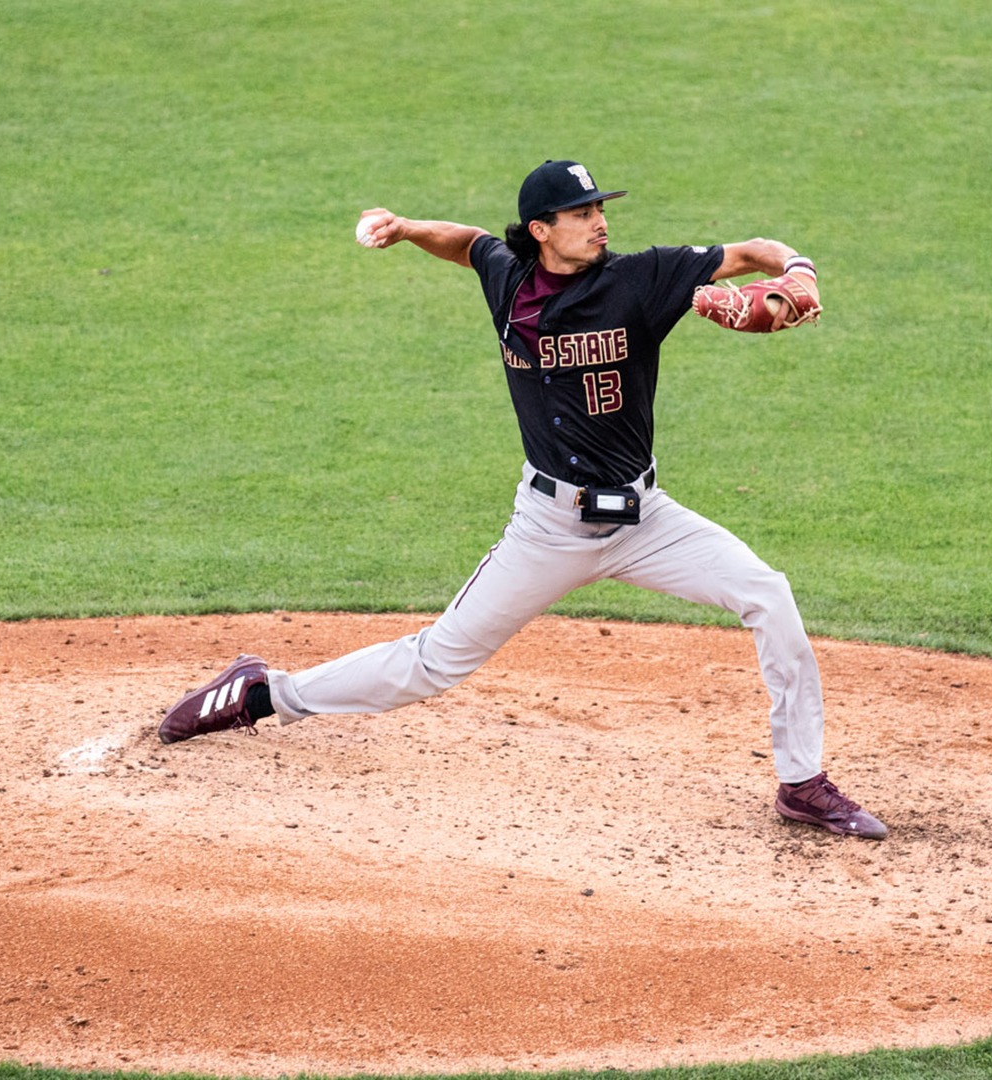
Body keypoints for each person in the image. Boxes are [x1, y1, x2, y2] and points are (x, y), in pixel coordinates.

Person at [158, 160, 885, 840]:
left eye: (600, 208)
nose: (599, 221)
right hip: (549, 526)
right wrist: (409, 229)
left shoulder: (646, 277)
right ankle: (260, 694)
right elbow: (470, 242)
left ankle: (801, 782)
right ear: (541, 230)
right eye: (581, 212)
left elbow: (757, 250)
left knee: (768, 594)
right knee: (434, 663)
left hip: (646, 520)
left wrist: (798, 272)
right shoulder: (508, 280)